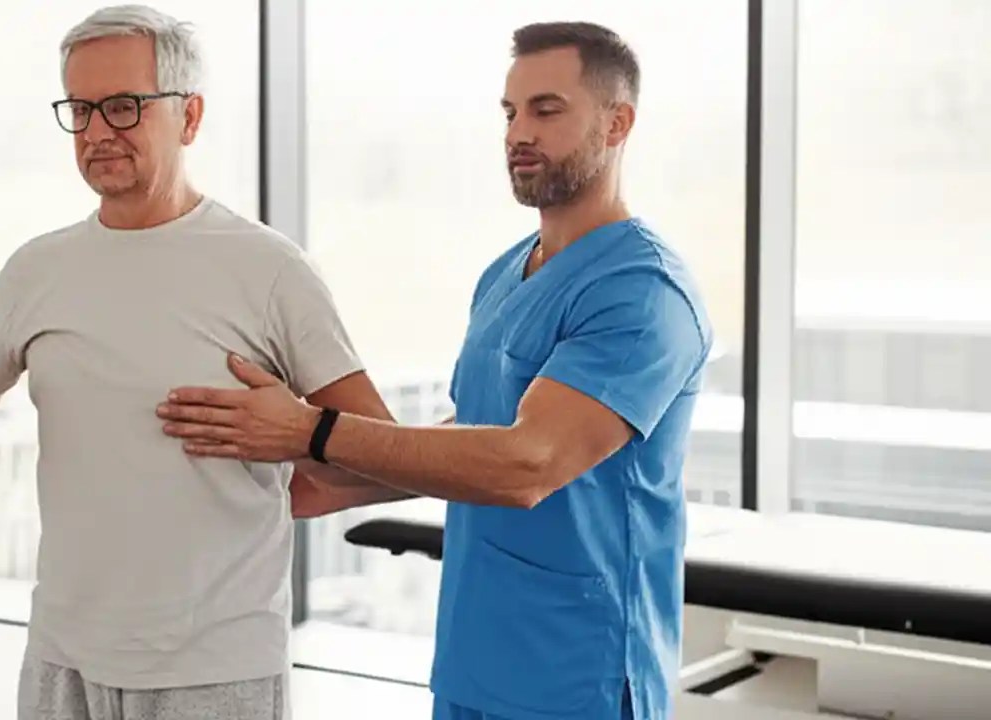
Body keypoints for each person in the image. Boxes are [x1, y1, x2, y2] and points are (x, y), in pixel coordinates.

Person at [157, 21, 714, 720]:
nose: (519, 133)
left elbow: (525, 464)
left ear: (617, 122)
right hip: (474, 663)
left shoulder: (644, 292)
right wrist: (323, 482)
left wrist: (313, 430)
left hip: (582, 677)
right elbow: (471, 435)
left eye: (547, 110)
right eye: (510, 113)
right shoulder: (505, 275)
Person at [0, 5, 393, 719]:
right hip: (60, 651)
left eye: (125, 107)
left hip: (214, 665)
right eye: (81, 109)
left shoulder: (270, 269)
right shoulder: (37, 268)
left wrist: (297, 438)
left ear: (188, 117)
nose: (98, 132)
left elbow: (379, 448)